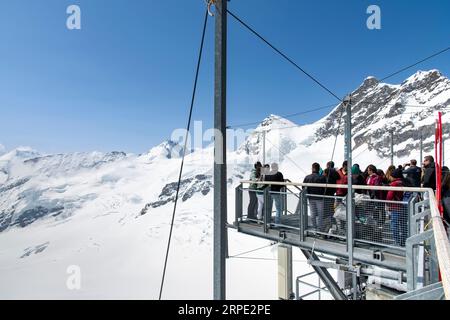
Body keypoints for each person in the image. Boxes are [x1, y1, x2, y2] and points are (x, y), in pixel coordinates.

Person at [303, 163, 327, 233]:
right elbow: (325, 187)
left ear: (312, 168)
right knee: (320, 213)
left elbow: (303, 187)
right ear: (319, 169)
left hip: (311, 197)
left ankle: (314, 228)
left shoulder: (307, 177)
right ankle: (320, 228)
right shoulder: (322, 177)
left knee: (313, 213)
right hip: (320, 198)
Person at [386, 169, 406, 246]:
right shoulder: (403, 182)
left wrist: (387, 204)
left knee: (395, 224)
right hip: (403, 206)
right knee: (403, 225)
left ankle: (396, 242)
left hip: (395, 207)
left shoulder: (394, 184)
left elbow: (389, 196)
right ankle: (403, 241)